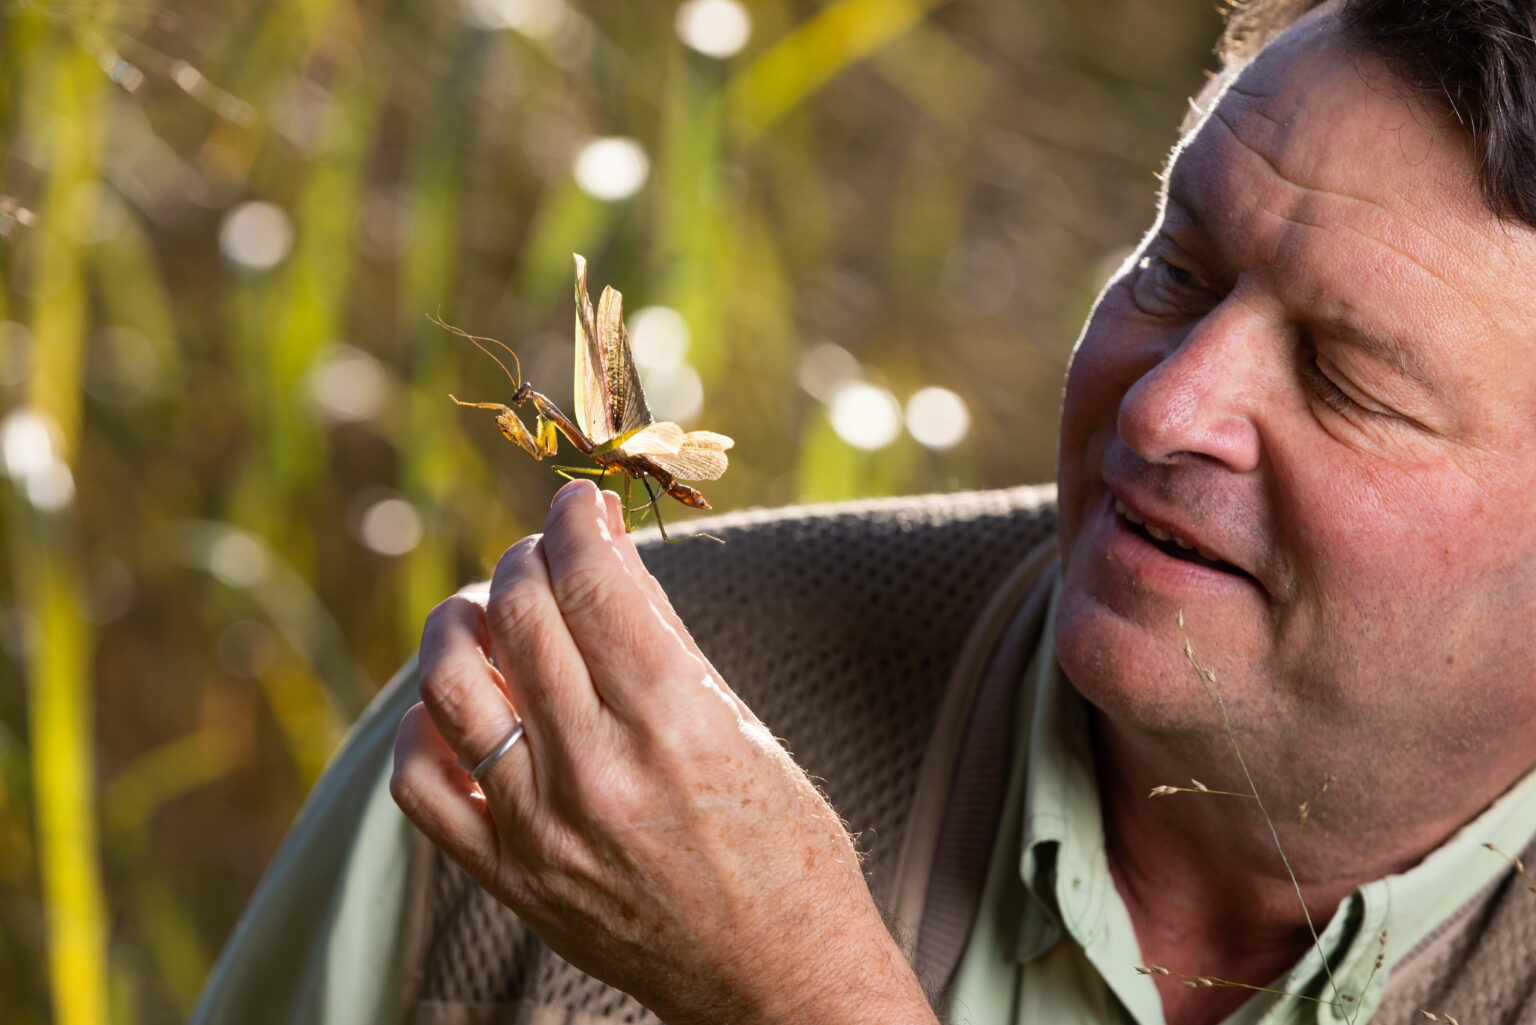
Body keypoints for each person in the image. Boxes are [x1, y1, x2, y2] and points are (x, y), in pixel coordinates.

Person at [191, 1, 1536, 1023]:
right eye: (1178, 270)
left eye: (1347, 380)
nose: (1164, 407)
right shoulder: (551, 732)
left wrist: (797, 990)